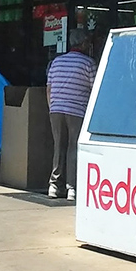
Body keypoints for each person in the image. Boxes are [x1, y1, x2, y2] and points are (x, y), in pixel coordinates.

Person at [46, 27, 97, 200]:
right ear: (83, 43)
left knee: (58, 147)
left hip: (56, 109)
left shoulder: (57, 62)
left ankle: (54, 186)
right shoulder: (88, 63)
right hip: (77, 110)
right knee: (74, 147)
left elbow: (49, 89)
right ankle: (72, 188)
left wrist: (51, 107)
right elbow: (95, 90)